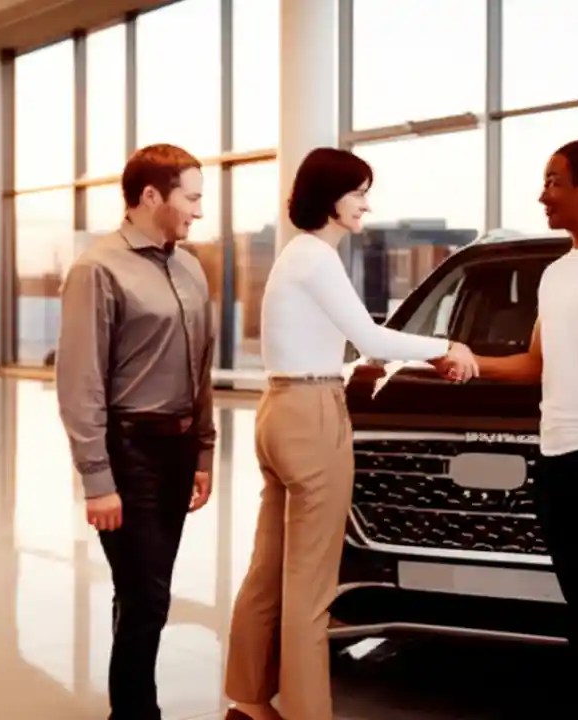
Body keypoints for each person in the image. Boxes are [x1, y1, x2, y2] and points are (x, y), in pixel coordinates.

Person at [223, 147, 478, 720]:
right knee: (311, 586)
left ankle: (250, 699)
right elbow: (374, 341)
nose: (367, 202)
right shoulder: (316, 258)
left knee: (269, 570)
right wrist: (447, 346)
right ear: (329, 198)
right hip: (312, 414)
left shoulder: (296, 257)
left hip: (277, 409)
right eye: (358, 191)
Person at [448, 138, 578, 715]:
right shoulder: (557, 273)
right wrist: (468, 358)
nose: (544, 196)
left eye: (554, 182)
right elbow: (536, 365)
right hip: (557, 457)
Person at [56, 143, 216, 720]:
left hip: (177, 448)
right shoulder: (97, 269)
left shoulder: (190, 267)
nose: (199, 211)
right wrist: (97, 480)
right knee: (147, 596)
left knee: (145, 591)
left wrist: (204, 451)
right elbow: (80, 382)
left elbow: (202, 366)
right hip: (129, 450)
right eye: (191, 198)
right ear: (151, 196)